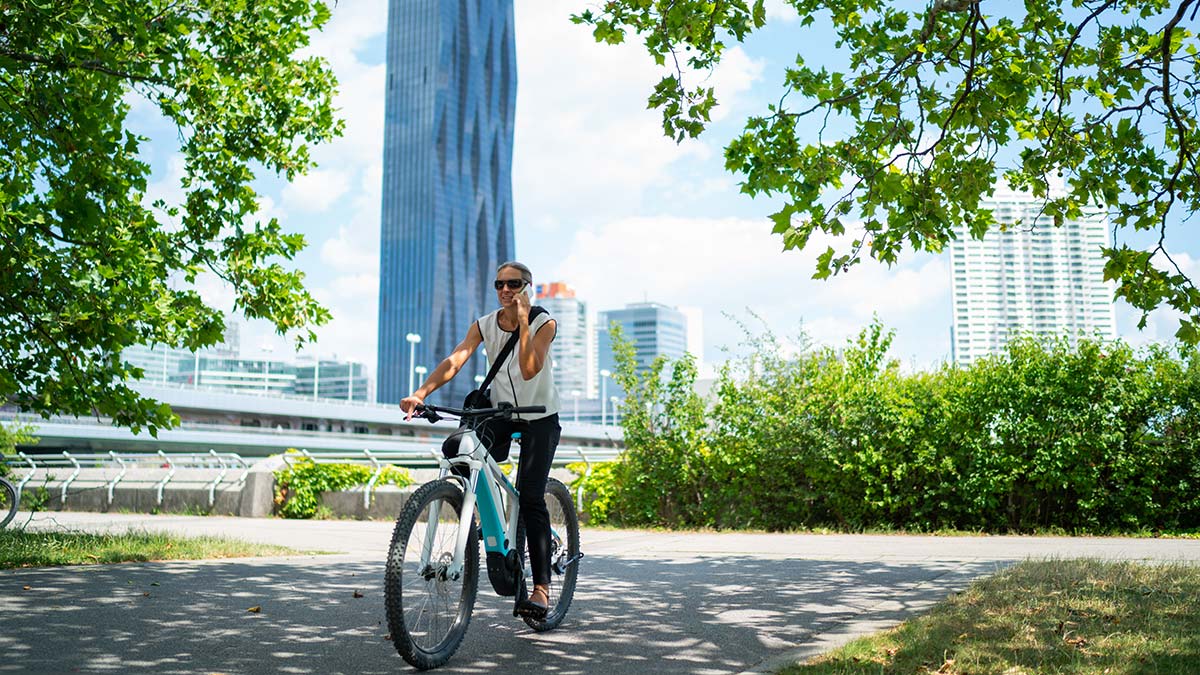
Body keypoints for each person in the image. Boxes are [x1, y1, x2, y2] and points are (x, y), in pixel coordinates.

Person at [399, 261, 561, 619]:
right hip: (501, 413)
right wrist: (420, 393)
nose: (505, 290)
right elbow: (456, 360)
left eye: (514, 284)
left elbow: (530, 366)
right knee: (460, 448)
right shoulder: (484, 324)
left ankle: (542, 589)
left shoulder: (543, 322)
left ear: (528, 287)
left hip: (540, 418)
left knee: (532, 496)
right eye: (499, 284)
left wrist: (522, 323)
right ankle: (479, 521)